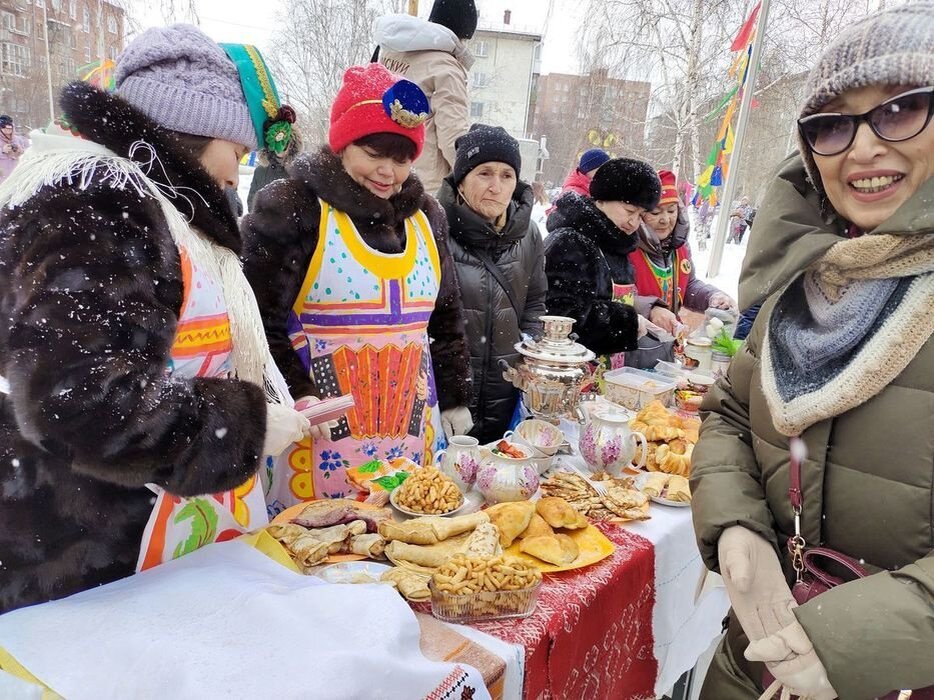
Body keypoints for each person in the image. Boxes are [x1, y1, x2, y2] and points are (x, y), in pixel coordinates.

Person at [0, 26, 312, 613]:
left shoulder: (148, 204)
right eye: (237, 152)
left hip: (133, 542)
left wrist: (269, 406)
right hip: (84, 551)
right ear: (194, 129)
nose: (235, 175)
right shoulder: (98, 198)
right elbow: (76, 399)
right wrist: (238, 431)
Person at [691, 5, 934, 699]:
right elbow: (730, 414)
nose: (861, 148)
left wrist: (856, 642)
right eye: (832, 124)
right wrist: (735, 525)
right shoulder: (804, 284)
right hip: (755, 663)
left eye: (900, 109)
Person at [242, 63, 472, 508]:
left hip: (409, 440)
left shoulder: (428, 217)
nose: (388, 171)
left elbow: (446, 317)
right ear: (344, 144)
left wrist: (455, 396)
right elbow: (256, 323)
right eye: (374, 153)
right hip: (314, 441)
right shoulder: (295, 208)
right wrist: (295, 394)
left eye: (402, 158)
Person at [437, 124, 547, 443]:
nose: (496, 187)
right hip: (449, 398)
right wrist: (446, 393)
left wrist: (529, 347)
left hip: (507, 392)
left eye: (506, 175)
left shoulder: (529, 234)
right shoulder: (433, 230)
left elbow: (536, 301)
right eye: (484, 173)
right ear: (461, 179)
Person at [544, 158, 662, 364]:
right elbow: (563, 316)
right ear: (603, 199)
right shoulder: (571, 242)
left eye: (641, 215)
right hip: (570, 371)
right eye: (629, 211)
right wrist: (628, 323)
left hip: (607, 372)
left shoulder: (617, 245)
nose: (634, 222)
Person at [374, 0, 478, 194]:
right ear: (462, 32)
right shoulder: (446, 68)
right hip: (422, 183)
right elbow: (453, 136)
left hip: (377, 170)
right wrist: (472, 176)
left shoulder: (388, 50)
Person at [631, 170, 736, 335]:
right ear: (640, 215)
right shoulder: (628, 249)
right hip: (636, 342)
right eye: (655, 213)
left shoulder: (680, 248)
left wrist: (712, 297)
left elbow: (688, 286)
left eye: (671, 211)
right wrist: (652, 309)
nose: (665, 220)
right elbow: (620, 297)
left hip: (669, 340)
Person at [247, 124, 303, 211]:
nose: (280, 147)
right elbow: (252, 201)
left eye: (284, 143)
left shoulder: (297, 173)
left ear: (291, 145)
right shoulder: (261, 171)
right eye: (276, 142)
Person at [0, 114, 29, 185]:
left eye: (10, 129)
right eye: (5, 129)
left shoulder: (18, 139)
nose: (7, 131)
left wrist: (21, 151)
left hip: (16, 177)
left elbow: (29, 152)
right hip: (2, 177)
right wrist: (2, 151)